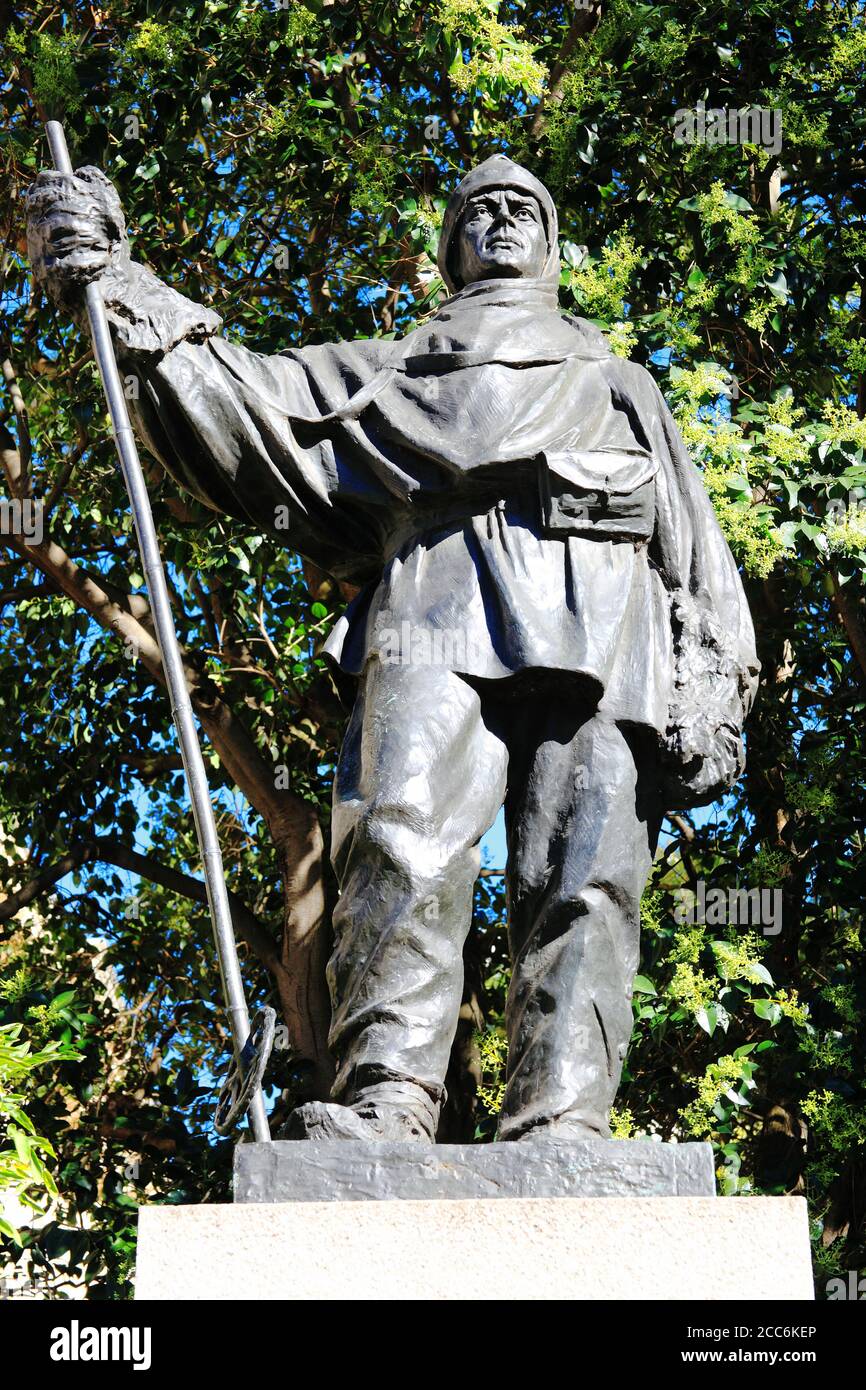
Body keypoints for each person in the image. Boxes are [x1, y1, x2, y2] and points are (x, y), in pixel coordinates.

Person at [26, 154, 759, 1144]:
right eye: (479, 210)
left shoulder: (619, 385)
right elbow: (250, 404)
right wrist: (117, 280)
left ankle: (564, 1121)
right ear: (449, 248)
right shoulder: (388, 372)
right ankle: (385, 1097)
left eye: (523, 209)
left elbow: (693, 554)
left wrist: (714, 680)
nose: (501, 220)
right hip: (431, 612)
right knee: (397, 842)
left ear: (550, 246)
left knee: (582, 870)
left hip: (606, 632)